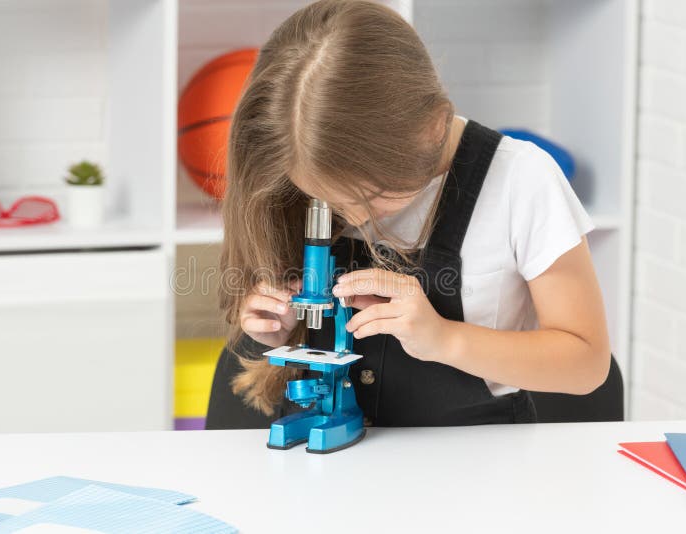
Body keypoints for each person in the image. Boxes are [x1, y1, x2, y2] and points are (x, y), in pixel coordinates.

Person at [206, 0, 610, 429]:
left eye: (371, 196)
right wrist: (276, 328)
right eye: (327, 200)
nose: (352, 217)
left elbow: (586, 363)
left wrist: (446, 339)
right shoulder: (301, 165)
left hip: (473, 466)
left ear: (432, 128)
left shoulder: (522, 181)